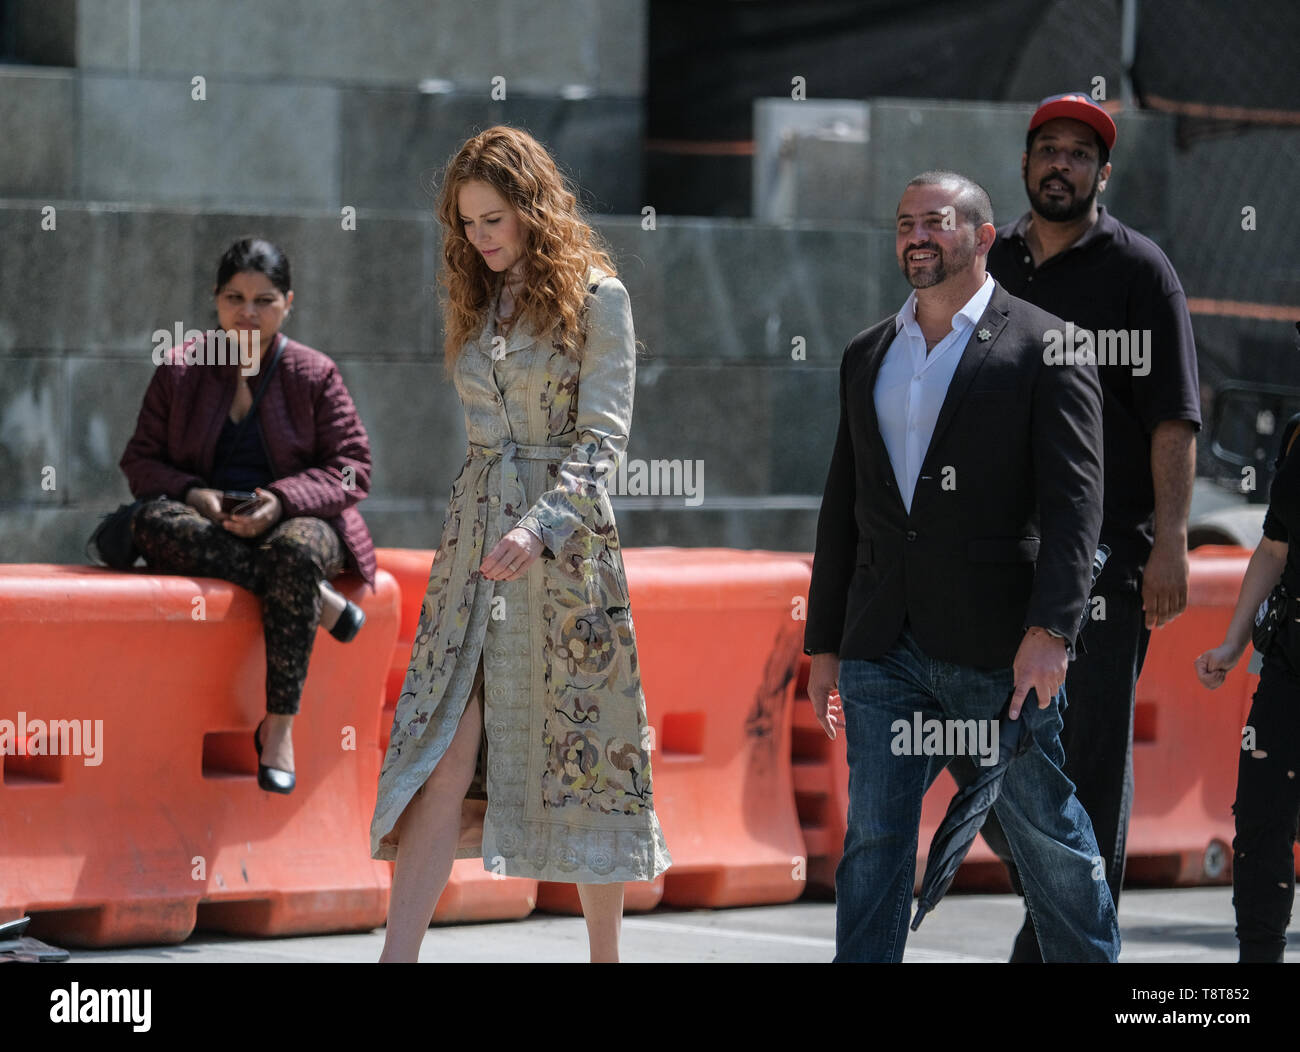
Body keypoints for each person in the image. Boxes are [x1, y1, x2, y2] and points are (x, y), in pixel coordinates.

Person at [370, 126, 671, 964]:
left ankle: (605, 957)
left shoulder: (598, 296)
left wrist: (539, 526)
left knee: (589, 759)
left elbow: (604, 440)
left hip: (566, 564)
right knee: (440, 749)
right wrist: (489, 529)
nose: (480, 238)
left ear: (536, 207)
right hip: (470, 554)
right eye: (466, 224)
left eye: (494, 219)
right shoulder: (476, 298)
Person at [804, 170, 1118, 962]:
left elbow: (1078, 506)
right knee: (874, 841)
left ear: (982, 238)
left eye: (935, 222)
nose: (916, 235)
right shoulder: (867, 351)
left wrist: (1053, 628)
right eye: (905, 221)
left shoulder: (1049, 344)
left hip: (999, 648)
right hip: (883, 644)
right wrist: (824, 642)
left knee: (1045, 834)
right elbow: (846, 503)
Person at [947, 93, 1202, 961]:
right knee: (980, 763)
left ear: (1102, 173)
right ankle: (1058, 921)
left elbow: (1174, 418)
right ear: (1024, 165)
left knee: (1088, 772)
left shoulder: (1140, 271)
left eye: (1080, 154)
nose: (1062, 164)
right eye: (1047, 150)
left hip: (1106, 562)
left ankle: (1068, 949)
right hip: (995, 560)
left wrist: (1170, 543)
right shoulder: (988, 262)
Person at [120, 237, 375, 795]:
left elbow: (354, 470)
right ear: (215, 299)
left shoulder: (314, 373)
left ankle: (278, 726)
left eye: (264, 299)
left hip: (299, 520)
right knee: (149, 522)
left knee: (297, 552)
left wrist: (281, 501)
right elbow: (139, 462)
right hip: (208, 518)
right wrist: (193, 494)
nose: (248, 312)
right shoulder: (182, 369)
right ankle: (317, 599)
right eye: (234, 297)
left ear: (288, 303)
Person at [1196, 360, 1300, 963]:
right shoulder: (1298, 433)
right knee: (1260, 820)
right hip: (1289, 659)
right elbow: (1273, 547)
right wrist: (1233, 644)